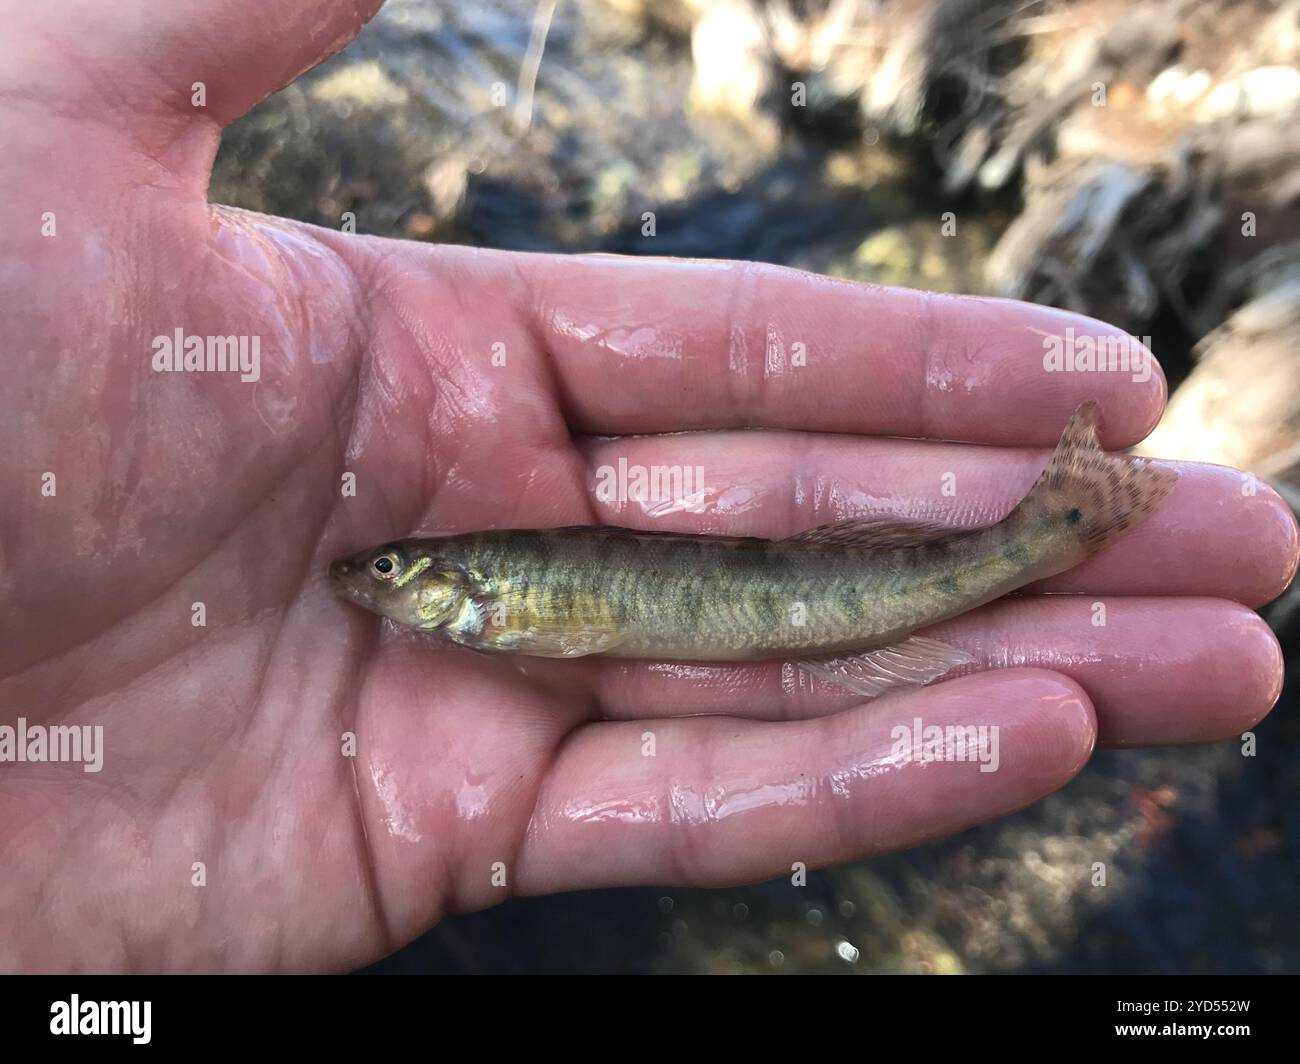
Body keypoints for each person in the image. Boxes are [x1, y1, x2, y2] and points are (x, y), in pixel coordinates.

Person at [1, 0, 1294, 972]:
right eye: (387, 571)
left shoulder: (486, 611)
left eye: (393, 571)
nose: (377, 584)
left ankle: (1049, 531)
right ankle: (1046, 532)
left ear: (455, 588)